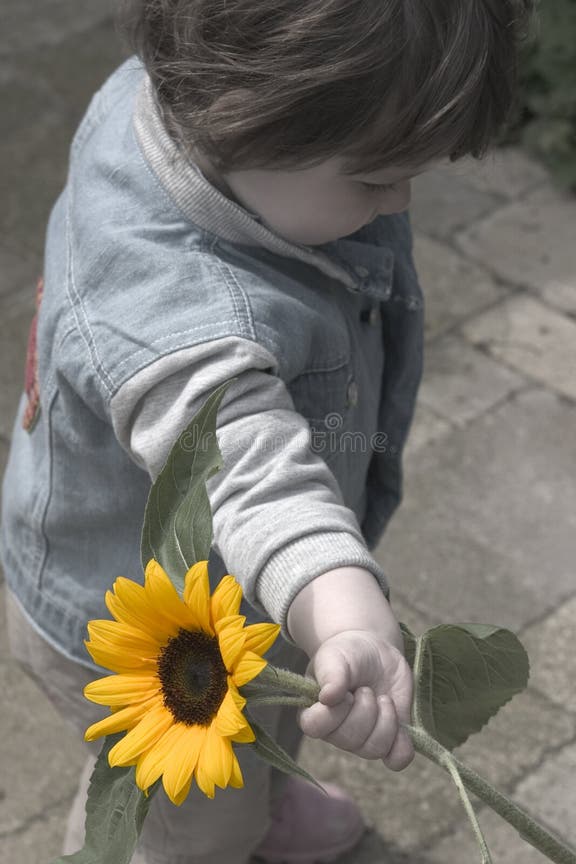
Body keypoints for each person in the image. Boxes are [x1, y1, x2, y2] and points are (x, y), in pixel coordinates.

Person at [1, 1, 533, 862]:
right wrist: (345, 608)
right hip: (132, 635)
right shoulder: (180, 316)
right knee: (188, 812)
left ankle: (268, 793)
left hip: (232, 604)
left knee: (283, 688)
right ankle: (207, 837)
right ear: (241, 123)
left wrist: (321, 617)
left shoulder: (176, 93)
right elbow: (250, 471)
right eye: (373, 179)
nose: (400, 201)